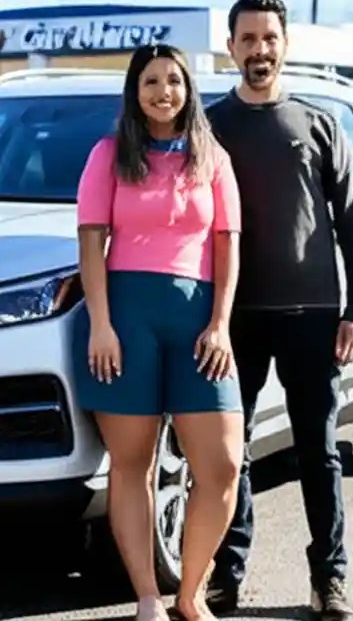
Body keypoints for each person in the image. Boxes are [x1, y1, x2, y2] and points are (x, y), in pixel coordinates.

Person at [204, 0, 353, 620]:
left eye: (268, 38)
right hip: (233, 318)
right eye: (247, 40)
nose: (258, 50)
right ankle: (225, 574)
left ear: (284, 43)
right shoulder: (211, 127)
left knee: (318, 451)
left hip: (311, 314)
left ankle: (330, 578)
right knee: (228, 451)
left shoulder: (319, 122)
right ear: (232, 47)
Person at [72, 42, 245, 621]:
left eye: (174, 80)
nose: (163, 91)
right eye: (151, 81)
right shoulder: (108, 155)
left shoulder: (211, 158)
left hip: (198, 322)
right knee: (132, 464)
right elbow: (91, 244)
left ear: (188, 88)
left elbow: (227, 244)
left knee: (221, 463)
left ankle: (190, 593)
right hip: (127, 319)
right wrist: (101, 325)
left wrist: (220, 324)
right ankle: (147, 594)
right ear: (135, 91)